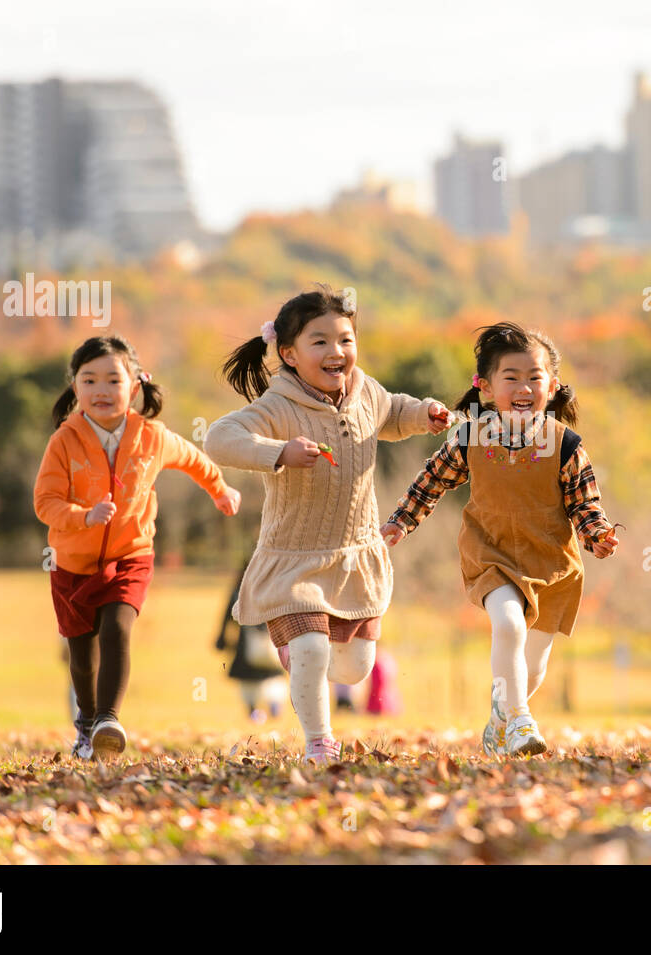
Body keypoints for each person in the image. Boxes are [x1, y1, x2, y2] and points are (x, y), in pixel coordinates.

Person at [204, 284, 449, 766]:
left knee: (357, 669)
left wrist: (424, 414)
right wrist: (279, 453)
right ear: (290, 354)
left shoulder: (365, 392)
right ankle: (319, 742)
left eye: (345, 340)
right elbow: (219, 437)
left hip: (356, 557)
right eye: (320, 342)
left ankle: (305, 664)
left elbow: (393, 412)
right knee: (313, 647)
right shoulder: (280, 406)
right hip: (295, 560)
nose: (337, 352)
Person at [382, 322, 619, 757]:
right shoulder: (470, 438)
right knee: (508, 624)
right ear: (486, 387)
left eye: (534, 377)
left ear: (553, 385)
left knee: (533, 666)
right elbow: (430, 483)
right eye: (511, 377)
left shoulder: (565, 445)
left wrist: (597, 535)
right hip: (490, 556)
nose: (524, 386)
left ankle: (501, 720)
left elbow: (585, 504)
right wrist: (401, 521)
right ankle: (520, 722)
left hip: (552, 567)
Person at [34, 336, 241, 759]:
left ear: (134, 385)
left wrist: (220, 490)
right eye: (89, 380)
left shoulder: (152, 436)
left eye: (113, 379)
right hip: (72, 564)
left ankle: (109, 719)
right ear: (75, 388)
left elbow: (193, 459)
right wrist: (84, 516)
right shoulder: (64, 441)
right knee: (81, 656)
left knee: (118, 626)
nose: (101, 390)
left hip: (131, 554)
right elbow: (45, 503)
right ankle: (88, 725)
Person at [216, 560, 290, 723]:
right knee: (273, 676)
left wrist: (221, 639)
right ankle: (274, 708)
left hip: (245, 646)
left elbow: (226, 617)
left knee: (249, 681)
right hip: (272, 642)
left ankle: (254, 713)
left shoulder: (238, 591)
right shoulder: (274, 589)